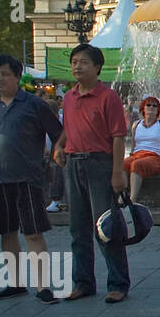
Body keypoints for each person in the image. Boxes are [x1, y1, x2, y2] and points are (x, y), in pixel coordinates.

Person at [0, 55, 64, 302]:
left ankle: (43, 286)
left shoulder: (34, 104)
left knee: (33, 232)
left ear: (16, 76)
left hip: (28, 178)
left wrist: (57, 151)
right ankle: (15, 283)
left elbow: (59, 133)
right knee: (7, 232)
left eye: (4, 74)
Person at [55, 44, 130, 303]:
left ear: (97, 67)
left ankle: (118, 283)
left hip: (100, 163)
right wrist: (59, 145)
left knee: (106, 227)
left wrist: (117, 172)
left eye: (84, 62)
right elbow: (68, 127)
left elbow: (118, 136)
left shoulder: (108, 97)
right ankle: (83, 282)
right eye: (74, 61)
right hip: (73, 164)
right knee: (78, 228)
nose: (77, 66)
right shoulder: (68, 96)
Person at [124, 96, 160, 204]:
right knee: (122, 163)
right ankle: (122, 196)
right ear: (143, 108)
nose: (151, 107)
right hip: (137, 154)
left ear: (158, 110)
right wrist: (131, 156)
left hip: (154, 157)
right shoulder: (136, 125)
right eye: (148, 105)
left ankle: (132, 199)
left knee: (136, 165)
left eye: (154, 106)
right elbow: (133, 145)